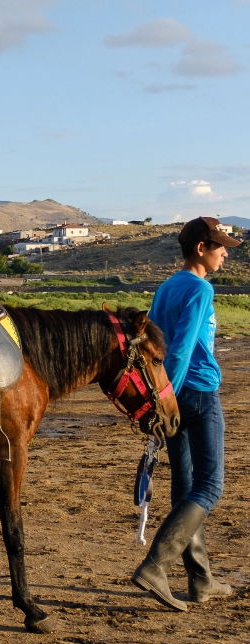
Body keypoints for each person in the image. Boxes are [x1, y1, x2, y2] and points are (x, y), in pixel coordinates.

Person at [132, 216, 240, 610]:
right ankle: (156, 565)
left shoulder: (167, 287)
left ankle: (201, 580)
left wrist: (160, 397)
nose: (225, 253)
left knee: (186, 486)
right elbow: (177, 351)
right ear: (200, 248)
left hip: (174, 393)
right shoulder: (199, 289)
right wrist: (168, 400)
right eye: (220, 246)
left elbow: (152, 344)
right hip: (195, 393)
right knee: (210, 486)